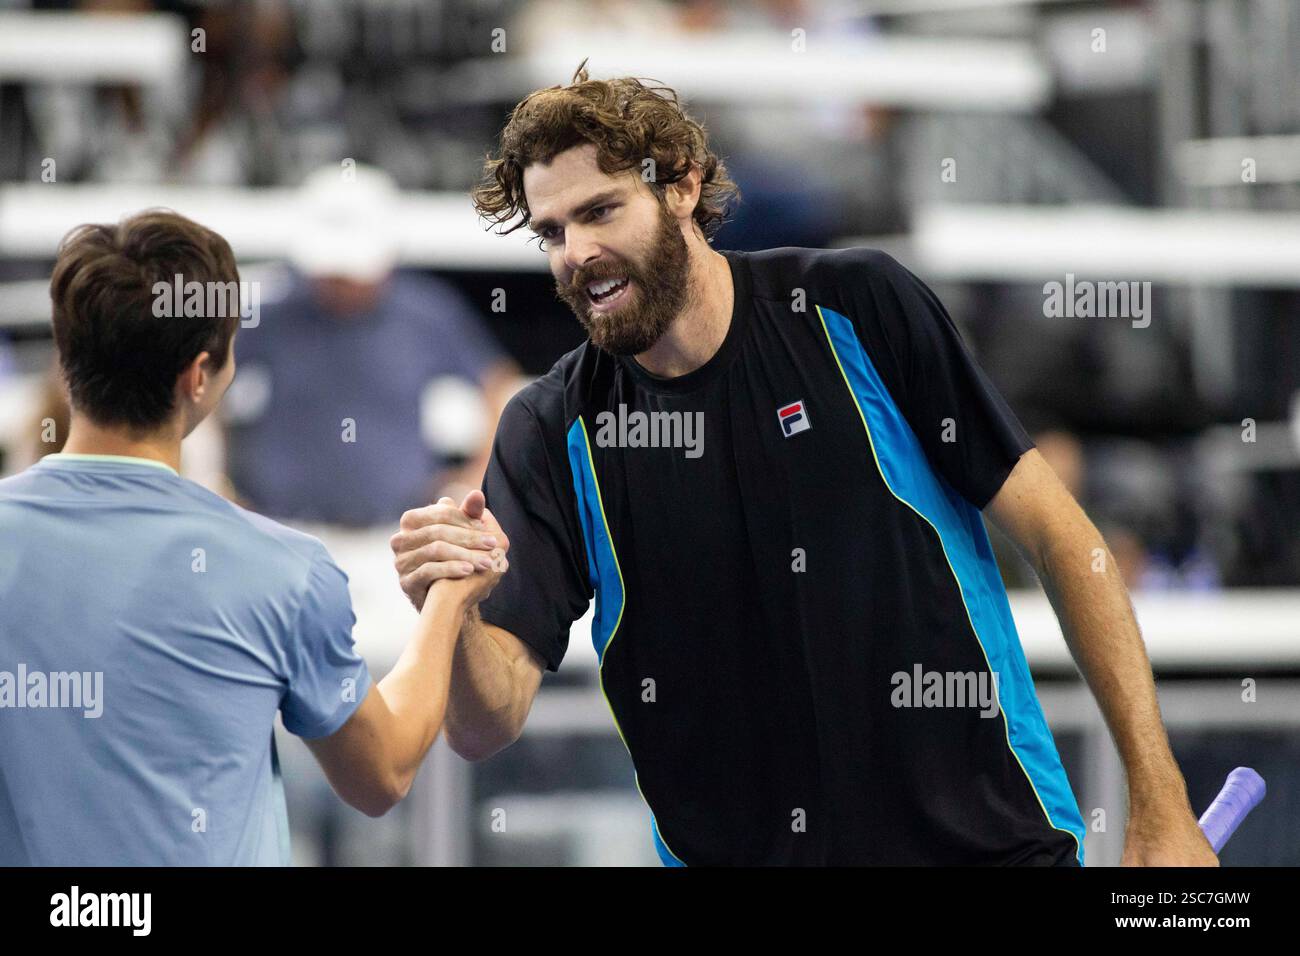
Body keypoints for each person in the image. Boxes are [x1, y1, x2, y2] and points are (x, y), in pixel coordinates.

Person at [390, 65, 1217, 866]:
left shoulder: (857, 307)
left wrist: (1161, 800)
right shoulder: (549, 428)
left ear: (680, 186)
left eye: (601, 211)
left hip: (990, 849)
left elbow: (1067, 539)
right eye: (553, 232)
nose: (576, 253)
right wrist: (452, 615)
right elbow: (482, 724)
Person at [0, 210, 507, 865]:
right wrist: (448, 597)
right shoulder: (281, 570)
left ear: (67, 356)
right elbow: (381, 774)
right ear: (199, 376)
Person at [223, 164, 518, 526]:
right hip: (281, 526)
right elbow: (204, 377)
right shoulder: (271, 312)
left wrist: (476, 476)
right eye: (331, 272)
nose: (340, 283)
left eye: (351, 274)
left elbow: (498, 384)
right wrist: (217, 479)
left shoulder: (425, 312)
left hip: (389, 534)